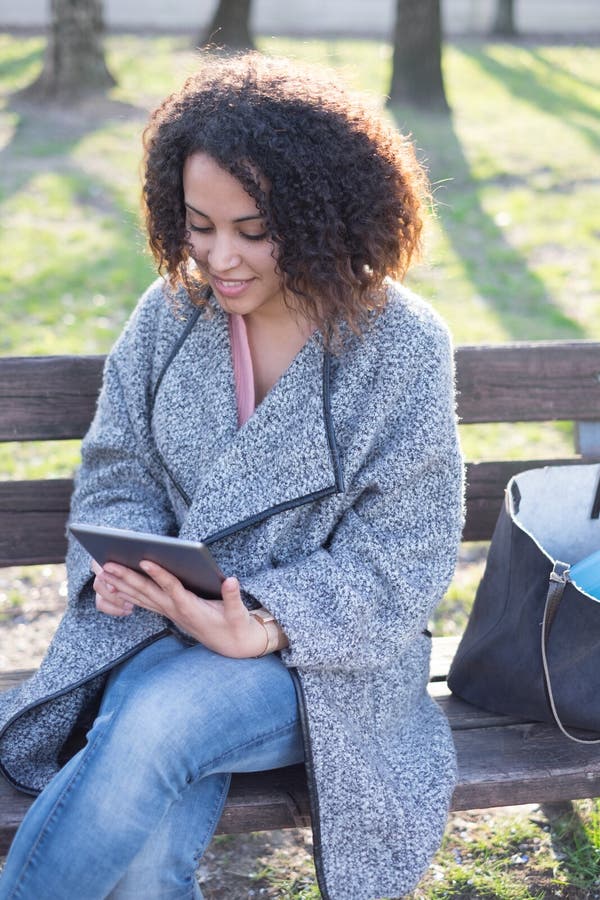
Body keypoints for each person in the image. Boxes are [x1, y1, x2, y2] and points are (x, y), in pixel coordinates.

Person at [0, 53, 464, 900]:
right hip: (163, 631)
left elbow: (405, 554)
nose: (220, 258)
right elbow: (118, 470)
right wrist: (118, 569)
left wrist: (266, 624)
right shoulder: (171, 313)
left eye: (254, 230)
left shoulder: (400, 345)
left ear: (326, 214)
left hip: (322, 666)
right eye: (198, 224)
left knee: (154, 723)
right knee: (150, 775)